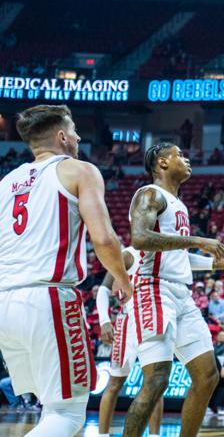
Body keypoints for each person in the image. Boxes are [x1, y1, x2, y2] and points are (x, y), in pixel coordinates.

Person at [0, 105, 133, 437]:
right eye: (73, 130)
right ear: (61, 136)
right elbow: (103, 238)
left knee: (51, 408)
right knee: (68, 413)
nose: (77, 137)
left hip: (5, 302)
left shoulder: (7, 182)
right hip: (48, 298)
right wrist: (123, 278)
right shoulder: (79, 171)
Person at [122, 143, 224, 437]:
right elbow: (139, 238)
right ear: (162, 162)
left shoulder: (179, 204)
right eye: (180, 156)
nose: (187, 161)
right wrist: (197, 240)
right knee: (157, 380)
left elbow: (178, 257)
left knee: (207, 376)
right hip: (153, 288)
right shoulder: (150, 194)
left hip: (180, 293)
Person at [97, 246, 224, 437]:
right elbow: (103, 289)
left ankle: (155, 434)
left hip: (164, 308)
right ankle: (102, 434)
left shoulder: (170, 253)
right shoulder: (128, 253)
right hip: (129, 318)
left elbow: (184, 259)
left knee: (157, 382)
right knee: (117, 383)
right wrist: (105, 320)